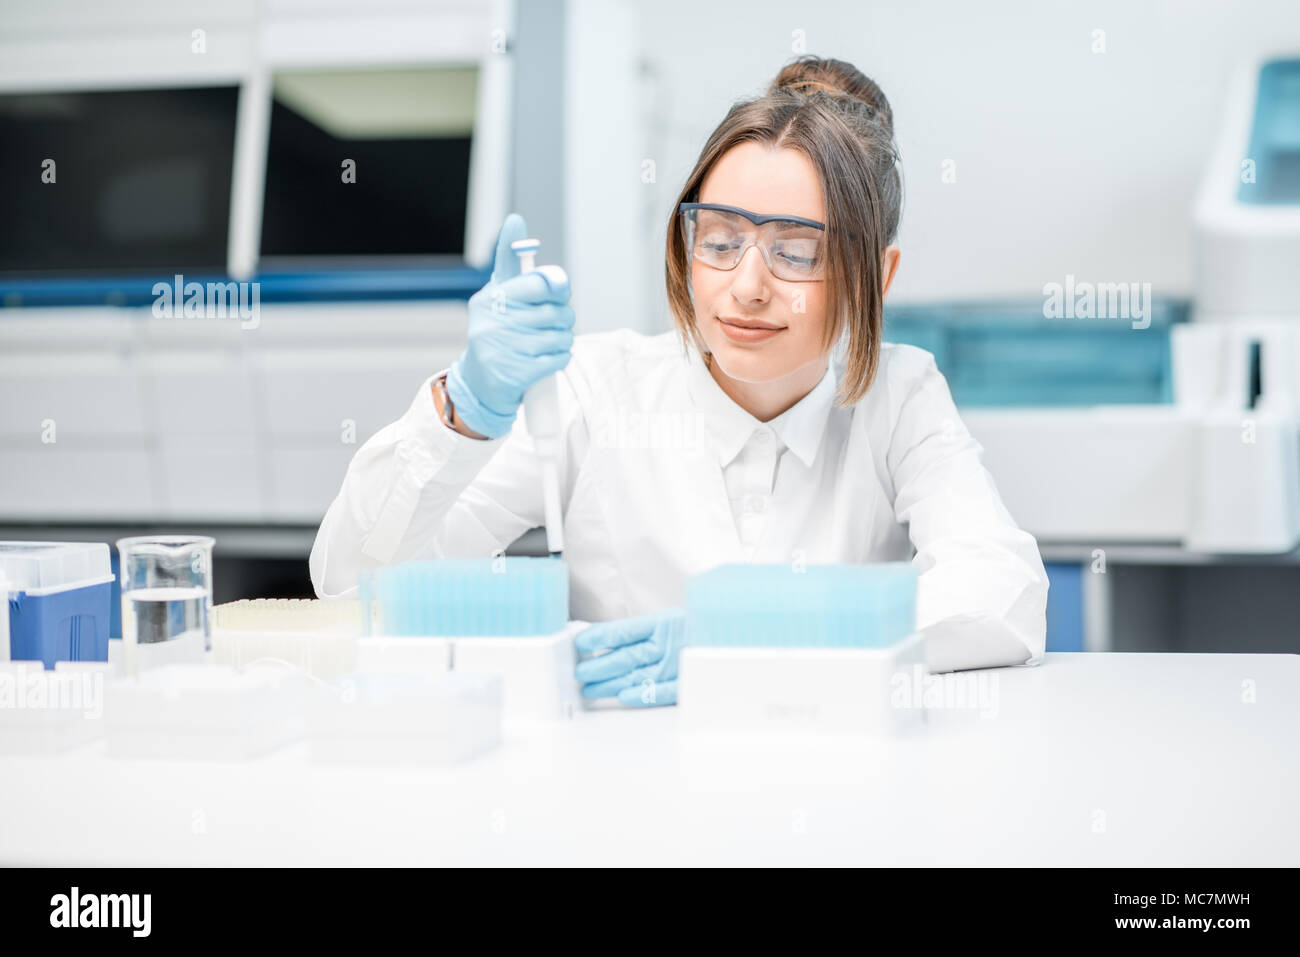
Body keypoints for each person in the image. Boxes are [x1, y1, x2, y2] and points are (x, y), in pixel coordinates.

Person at [310, 55, 1049, 707]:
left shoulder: (899, 396)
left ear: (876, 278)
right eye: (721, 241)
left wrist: (750, 639)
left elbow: (1003, 593)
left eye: (796, 252)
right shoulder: (595, 389)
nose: (747, 287)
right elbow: (353, 585)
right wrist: (464, 411)